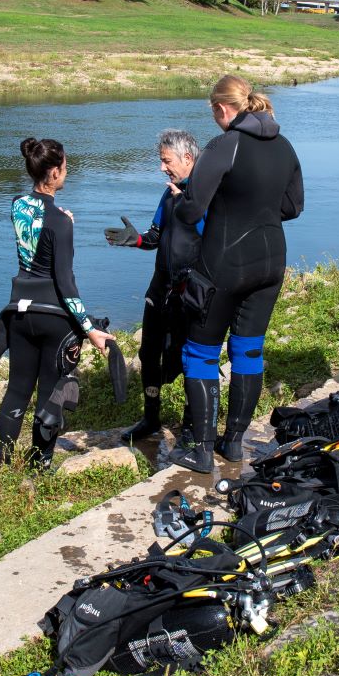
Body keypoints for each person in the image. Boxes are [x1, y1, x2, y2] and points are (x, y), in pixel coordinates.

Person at [168, 75, 304, 472]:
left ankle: (202, 451)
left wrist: (196, 207)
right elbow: (294, 206)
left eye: (213, 110)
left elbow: (192, 209)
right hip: (270, 261)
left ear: (222, 108)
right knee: (247, 349)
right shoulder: (284, 145)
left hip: (223, 263)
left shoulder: (223, 145)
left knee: (200, 352)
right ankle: (235, 443)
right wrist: (256, 211)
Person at [0, 138, 113, 470]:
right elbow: (65, 283)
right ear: (54, 172)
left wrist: (61, 222)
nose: (66, 172)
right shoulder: (60, 220)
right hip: (53, 317)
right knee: (49, 395)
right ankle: (40, 466)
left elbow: (38, 225)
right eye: (65, 167)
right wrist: (90, 331)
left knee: (17, 391)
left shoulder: (16, 205)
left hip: (20, 314)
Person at [103, 129, 204, 444]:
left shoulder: (206, 191)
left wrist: (188, 200)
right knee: (148, 354)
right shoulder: (168, 192)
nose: (162, 167)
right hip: (160, 287)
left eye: (166, 161)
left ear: (187, 158)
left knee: (188, 357)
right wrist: (134, 239)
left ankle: (191, 423)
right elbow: (156, 235)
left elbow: (213, 238)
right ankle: (151, 417)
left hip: (190, 290)